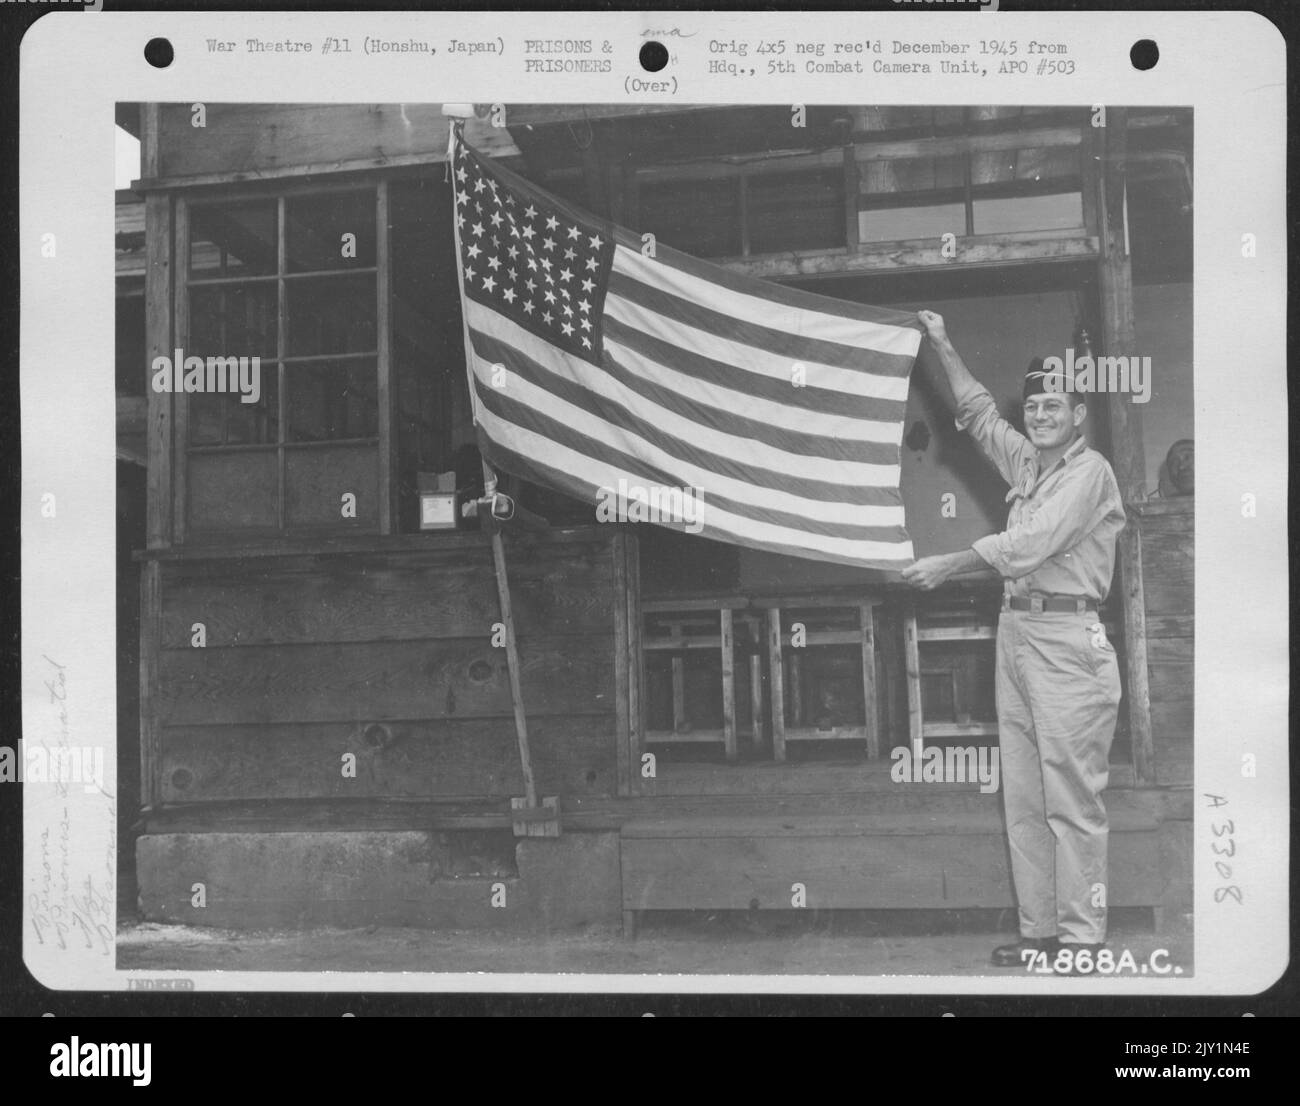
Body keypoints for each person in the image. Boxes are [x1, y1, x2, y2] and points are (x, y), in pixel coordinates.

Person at [902, 310, 1127, 973]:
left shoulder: (1090, 474)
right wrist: (942, 342)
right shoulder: (1029, 462)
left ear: (1078, 414)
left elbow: (1029, 545)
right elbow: (975, 412)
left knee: (1072, 799)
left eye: (1054, 405)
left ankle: (1082, 942)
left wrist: (948, 564)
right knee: (1025, 795)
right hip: (1018, 633)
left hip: (1069, 640)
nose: (1041, 414)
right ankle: (1042, 934)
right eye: (1032, 405)